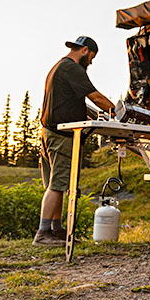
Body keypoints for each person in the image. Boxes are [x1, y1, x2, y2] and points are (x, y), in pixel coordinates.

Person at [33, 36, 114, 246]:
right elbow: (95, 97)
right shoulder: (72, 68)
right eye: (92, 57)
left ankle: (56, 230)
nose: (92, 62)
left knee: (57, 183)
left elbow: (64, 101)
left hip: (50, 131)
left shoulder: (58, 67)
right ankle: (42, 234)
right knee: (58, 183)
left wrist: (82, 116)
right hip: (60, 136)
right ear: (85, 50)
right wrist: (118, 113)